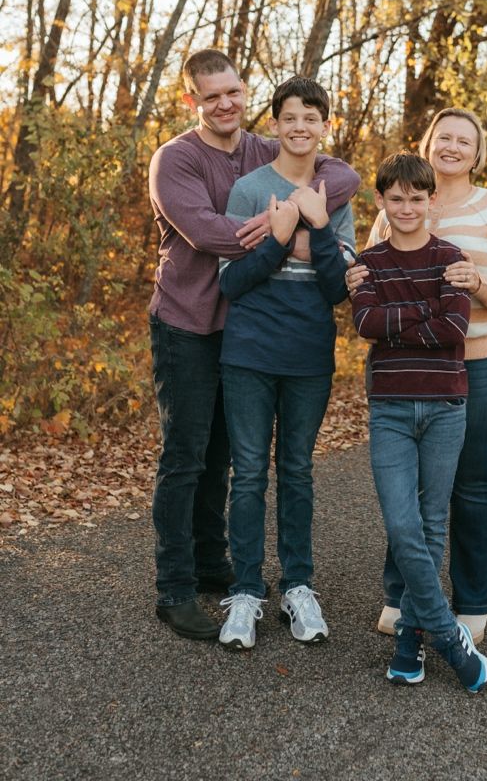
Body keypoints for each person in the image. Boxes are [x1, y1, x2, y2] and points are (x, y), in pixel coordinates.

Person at [148, 51, 359, 640]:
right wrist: (293, 232)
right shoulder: (177, 159)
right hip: (190, 322)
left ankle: (217, 563)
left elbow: (344, 176)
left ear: (246, 95)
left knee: (224, 456)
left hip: (244, 330)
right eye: (211, 95)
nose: (225, 104)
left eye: (233, 92)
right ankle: (175, 585)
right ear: (192, 101)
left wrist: (300, 207)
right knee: (187, 455)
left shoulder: (262, 148)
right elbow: (212, 233)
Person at [349, 108, 487, 646]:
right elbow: (371, 273)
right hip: (407, 366)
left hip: (476, 361)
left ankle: (474, 599)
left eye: (464, 141)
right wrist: (355, 277)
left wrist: (478, 282)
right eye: (444, 137)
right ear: (429, 143)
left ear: (477, 153)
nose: (452, 147)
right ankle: (404, 595)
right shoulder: (401, 200)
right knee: (407, 488)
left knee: (470, 482)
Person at [216, 76, 355, 650]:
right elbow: (231, 282)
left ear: (326, 126)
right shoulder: (250, 188)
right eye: (290, 117)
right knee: (248, 472)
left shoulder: (335, 197)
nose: (300, 127)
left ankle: (297, 586)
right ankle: (246, 592)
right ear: (274, 124)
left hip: (308, 356)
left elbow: (337, 289)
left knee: (296, 470)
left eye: (311, 117)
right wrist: (274, 241)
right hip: (248, 354)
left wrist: (317, 226)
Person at [351, 151, 487, 691]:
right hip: (390, 408)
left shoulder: (453, 258)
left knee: (433, 522)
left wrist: (397, 322)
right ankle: (449, 636)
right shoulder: (369, 262)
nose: (406, 207)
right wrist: (420, 315)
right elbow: (365, 322)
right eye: (395, 198)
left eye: (416, 198)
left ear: (431, 201)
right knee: (402, 523)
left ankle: (410, 637)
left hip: (445, 405)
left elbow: (454, 327)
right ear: (381, 203)